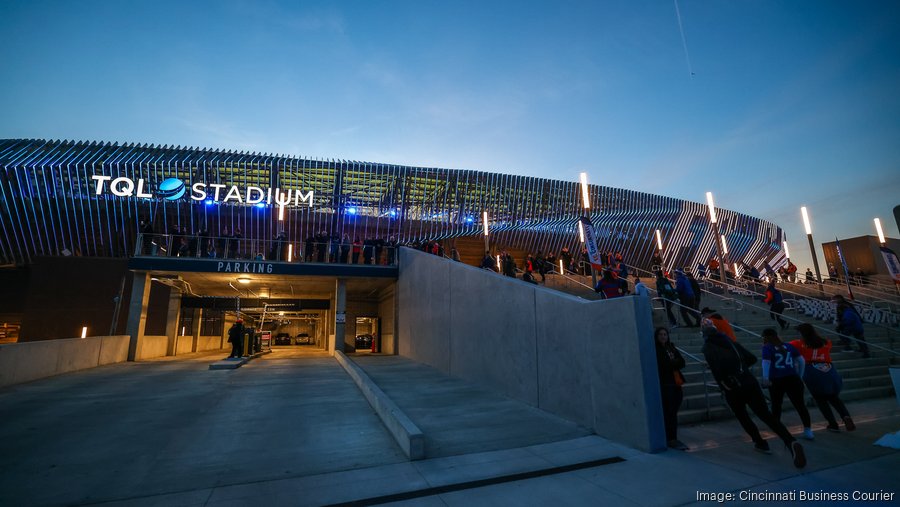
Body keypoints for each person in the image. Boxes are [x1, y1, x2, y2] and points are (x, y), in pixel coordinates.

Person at [701, 319, 806, 468]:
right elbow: (752, 358)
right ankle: (790, 441)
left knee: (743, 416)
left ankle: (760, 443)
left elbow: (717, 370)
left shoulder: (707, 347)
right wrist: (742, 369)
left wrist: (724, 384)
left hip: (732, 387)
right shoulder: (731, 342)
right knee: (766, 415)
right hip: (749, 381)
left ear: (704, 334)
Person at [790, 323, 855, 432]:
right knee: (834, 397)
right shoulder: (826, 342)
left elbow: (786, 347)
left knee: (820, 399)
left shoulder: (797, 343)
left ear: (802, 333)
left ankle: (833, 424)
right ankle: (846, 416)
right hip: (829, 369)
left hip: (812, 370)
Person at [760, 328, 814, 440]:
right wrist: (800, 376)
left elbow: (766, 363)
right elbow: (801, 361)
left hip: (776, 379)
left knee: (776, 405)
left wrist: (765, 378)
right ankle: (808, 430)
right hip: (792, 378)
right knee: (800, 405)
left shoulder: (767, 347)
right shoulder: (789, 346)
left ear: (766, 337)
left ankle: (778, 428)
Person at [654, 327, 688, 450]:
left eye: (665, 334)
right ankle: (671, 438)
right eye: (660, 334)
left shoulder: (671, 347)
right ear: (656, 336)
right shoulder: (656, 350)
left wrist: (672, 363)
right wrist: (674, 362)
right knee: (669, 413)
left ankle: (671, 437)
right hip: (666, 384)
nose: (663, 336)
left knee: (673, 412)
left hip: (676, 383)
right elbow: (663, 365)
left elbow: (682, 362)